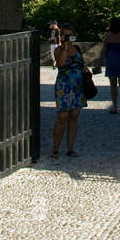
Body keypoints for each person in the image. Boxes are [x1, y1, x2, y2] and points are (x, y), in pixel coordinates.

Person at [51, 24, 85, 157]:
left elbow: (82, 64)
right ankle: (56, 148)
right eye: (66, 35)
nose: (69, 38)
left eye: (71, 35)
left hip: (77, 86)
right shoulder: (58, 50)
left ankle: (70, 148)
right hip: (63, 86)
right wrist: (65, 46)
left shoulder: (77, 49)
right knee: (62, 116)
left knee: (74, 116)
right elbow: (61, 64)